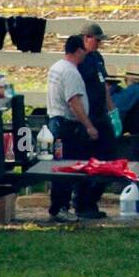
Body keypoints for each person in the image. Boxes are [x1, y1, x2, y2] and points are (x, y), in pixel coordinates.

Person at [45, 34, 99, 223]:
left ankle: (57, 207)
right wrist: (89, 126)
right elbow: (74, 102)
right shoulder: (71, 72)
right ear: (78, 50)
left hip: (55, 123)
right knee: (67, 168)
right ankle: (61, 207)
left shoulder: (56, 67)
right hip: (67, 127)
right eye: (83, 50)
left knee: (59, 167)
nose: (85, 54)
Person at [73, 22, 123, 219]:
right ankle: (82, 203)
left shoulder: (97, 59)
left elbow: (104, 87)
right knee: (86, 161)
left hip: (101, 115)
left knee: (109, 159)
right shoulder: (79, 61)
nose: (99, 44)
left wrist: (113, 111)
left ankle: (93, 199)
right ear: (86, 38)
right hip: (88, 115)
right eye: (97, 40)